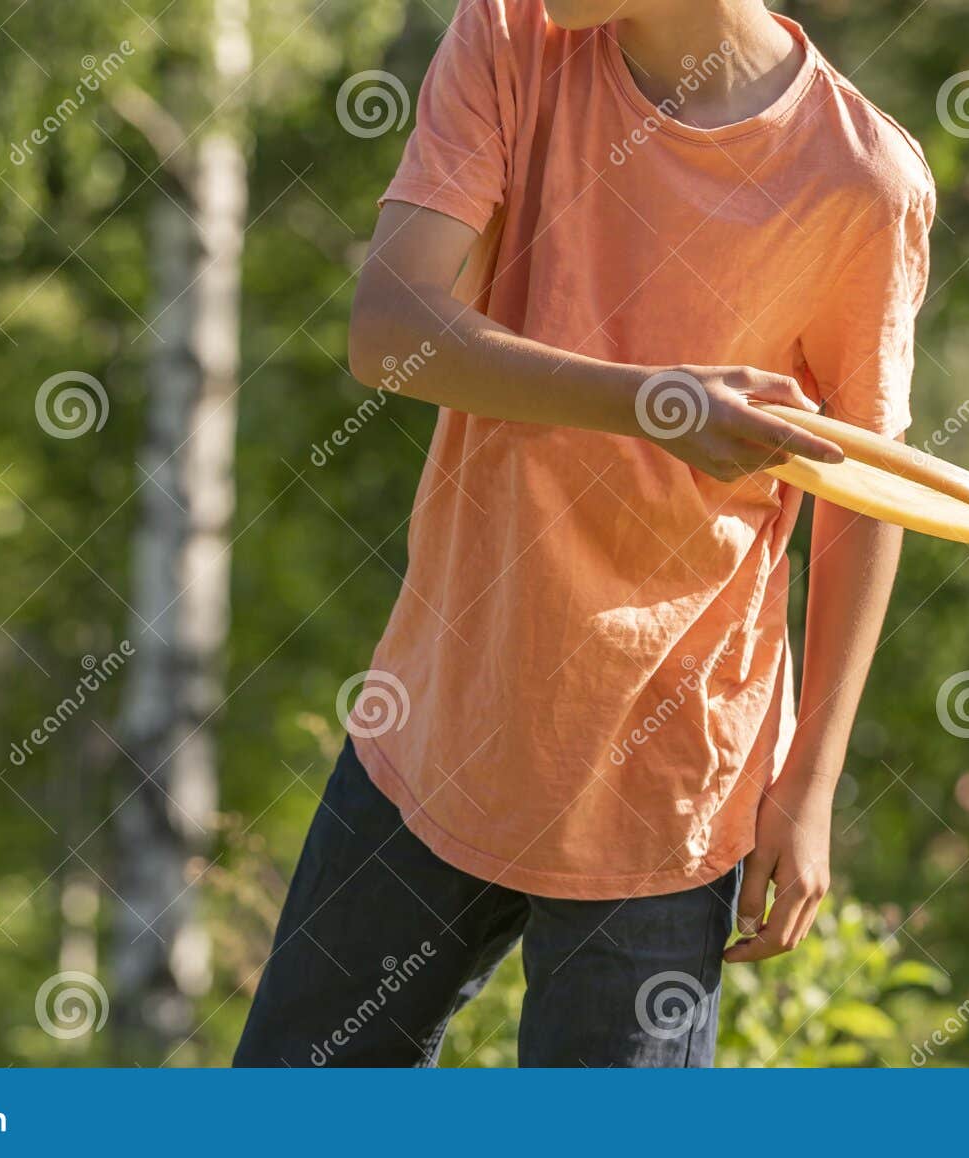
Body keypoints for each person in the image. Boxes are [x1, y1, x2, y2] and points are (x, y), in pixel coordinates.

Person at [234, 0, 933, 1067]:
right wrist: (650, 401)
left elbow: (863, 497)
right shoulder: (512, 33)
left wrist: (808, 785)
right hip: (442, 722)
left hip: (668, 791)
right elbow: (388, 329)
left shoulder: (862, 181)